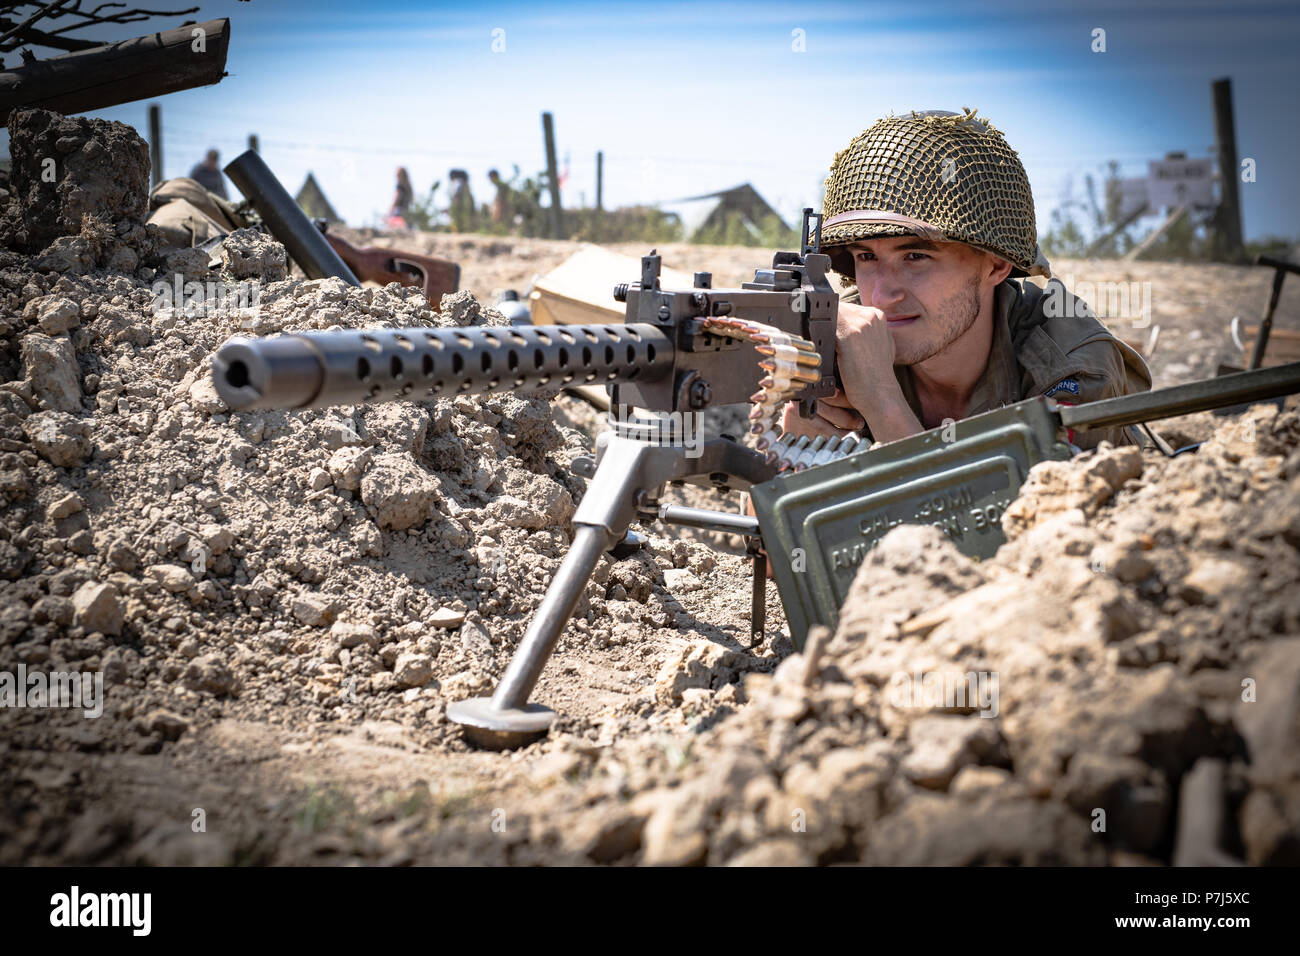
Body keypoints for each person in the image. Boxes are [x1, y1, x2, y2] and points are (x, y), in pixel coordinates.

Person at [785, 109, 1151, 451]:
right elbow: (756, 517)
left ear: (995, 266)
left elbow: (1013, 515)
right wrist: (792, 453)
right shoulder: (835, 337)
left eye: (915, 257)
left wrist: (883, 405)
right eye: (866, 257)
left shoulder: (1069, 364)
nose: (880, 296)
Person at [448, 168, 476, 233]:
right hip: (465, 206)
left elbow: (457, 194)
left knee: (459, 221)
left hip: (460, 206)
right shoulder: (464, 184)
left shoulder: (459, 183)